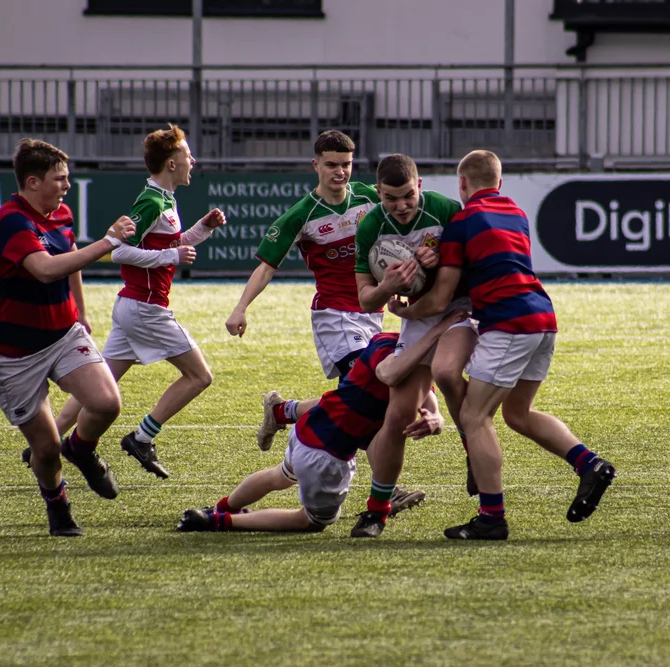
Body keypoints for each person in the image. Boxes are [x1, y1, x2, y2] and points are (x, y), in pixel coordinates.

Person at [390, 150, 616, 541]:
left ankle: (491, 517)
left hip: (508, 324)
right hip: (543, 318)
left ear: (462, 184)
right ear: (499, 183)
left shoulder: (462, 222)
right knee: (518, 413)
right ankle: (589, 464)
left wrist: (405, 311)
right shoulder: (516, 213)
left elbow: (442, 299)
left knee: (475, 418)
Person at [225, 130, 426, 515]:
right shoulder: (301, 215)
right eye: (331, 164)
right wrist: (241, 308)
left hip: (372, 312)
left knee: (355, 399)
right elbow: (266, 267)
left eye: (346, 165)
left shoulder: (370, 198)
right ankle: (388, 489)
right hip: (335, 317)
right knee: (372, 395)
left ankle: (283, 411)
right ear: (315, 165)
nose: (340, 172)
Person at [175, 311, 466, 535]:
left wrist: (435, 415)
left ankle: (222, 507)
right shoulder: (389, 355)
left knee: (281, 475)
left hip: (310, 429)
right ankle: (223, 521)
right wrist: (438, 332)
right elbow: (392, 374)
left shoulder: (389, 343)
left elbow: (423, 390)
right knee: (312, 520)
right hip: (326, 453)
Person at [49, 124, 225, 479]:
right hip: (146, 308)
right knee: (200, 377)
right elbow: (118, 252)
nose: (193, 159)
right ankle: (142, 437)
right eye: (186, 154)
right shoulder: (151, 201)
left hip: (131, 306)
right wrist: (168, 258)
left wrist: (203, 228)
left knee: (98, 386)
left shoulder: (165, 199)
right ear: (171, 163)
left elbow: (167, 247)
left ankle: (46, 442)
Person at [0, 138, 135, 537]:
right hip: (12, 353)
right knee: (45, 451)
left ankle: (81, 448)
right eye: (59, 178)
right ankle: (58, 505)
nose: (67, 185)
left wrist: (80, 312)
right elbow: (47, 269)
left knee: (106, 402)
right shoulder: (12, 220)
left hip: (62, 335)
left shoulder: (59, 213)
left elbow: (68, 264)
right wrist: (108, 242)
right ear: (33, 182)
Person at [350, 154, 478, 538]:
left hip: (461, 308)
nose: (401, 206)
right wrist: (387, 286)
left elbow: (473, 265)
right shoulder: (371, 225)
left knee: (448, 372)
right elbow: (365, 300)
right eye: (391, 198)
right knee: (398, 415)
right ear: (378, 193)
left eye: (408, 195)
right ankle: (377, 511)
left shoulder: (446, 209)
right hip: (420, 316)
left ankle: (473, 446)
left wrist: (440, 262)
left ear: (419, 184)